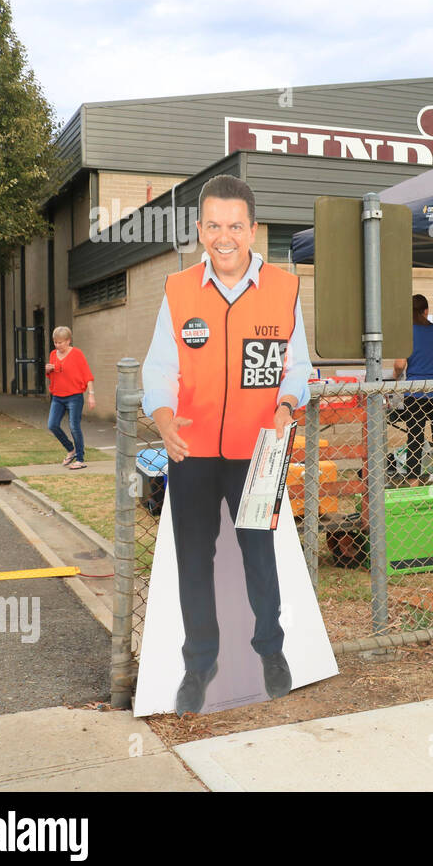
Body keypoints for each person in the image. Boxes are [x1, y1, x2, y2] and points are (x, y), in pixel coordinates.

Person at [141, 175, 312, 717]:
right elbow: (160, 370)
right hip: (190, 452)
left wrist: (287, 407)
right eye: (213, 225)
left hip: (259, 452)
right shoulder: (178, 290)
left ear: (253, 230)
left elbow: (297, 367)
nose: (224, 236)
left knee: (258, 554)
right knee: (194, 559)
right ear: (199, 230)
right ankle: (198, 665)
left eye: (235, 226)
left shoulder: (284, 290)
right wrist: (164, 419)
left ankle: (272, 651)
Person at [393, 295, 433, 485]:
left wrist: (395, 376)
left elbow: (400, 364)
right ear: (426, 310)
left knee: (414, 438)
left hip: (415, 392)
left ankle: (413, 482)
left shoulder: (406, 333)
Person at [44, 326, 96, 470]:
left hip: (74, 396)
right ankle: (70, 449)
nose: (57, 345)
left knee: (74, 426)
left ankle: (80, 459)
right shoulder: (53, 354)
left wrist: (91, 395)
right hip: (57, 397)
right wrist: (48, 370)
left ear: (68, 341)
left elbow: (87, 375)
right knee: (52, 425)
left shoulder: (77, 354)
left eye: (60, 342)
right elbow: (54, 374)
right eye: (55, 342)